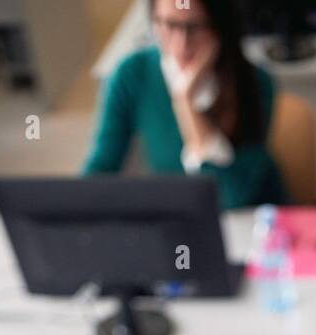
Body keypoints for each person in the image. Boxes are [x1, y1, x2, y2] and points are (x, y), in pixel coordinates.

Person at [83, 0, 287, 210]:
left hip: (254, 224)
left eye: (195, 27)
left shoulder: (255, 82)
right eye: (170, 25)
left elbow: (230, 199)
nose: (181, 44)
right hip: (178, 222)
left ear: (220, 25)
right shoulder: (132, 74)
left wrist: (186, 103)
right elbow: (100, 169)